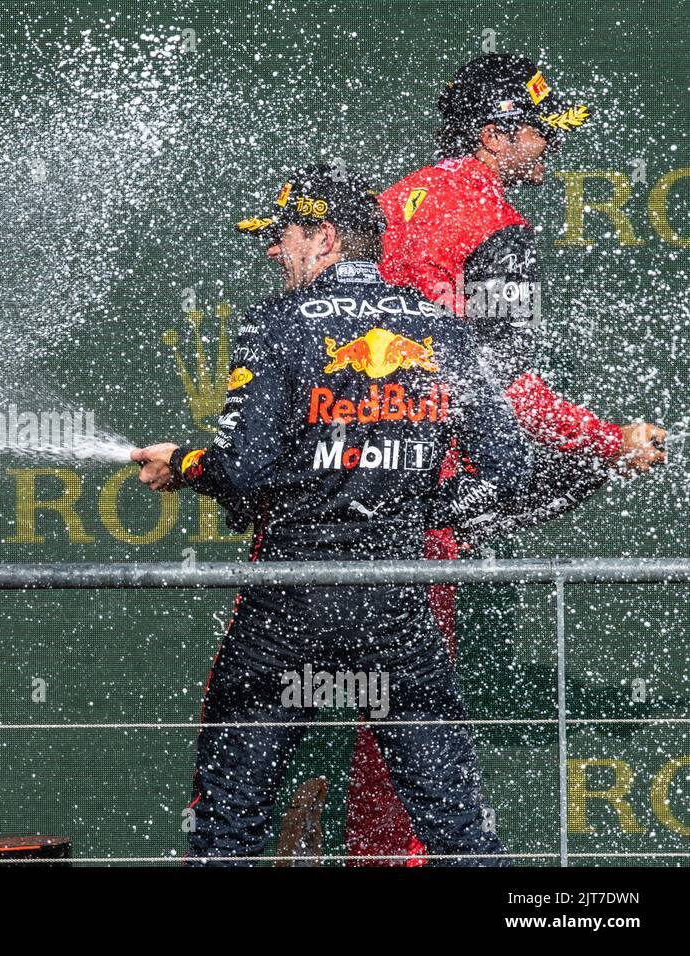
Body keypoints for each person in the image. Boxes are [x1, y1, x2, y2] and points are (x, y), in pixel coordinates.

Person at [133, 164, 529, 864]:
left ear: (323, 236)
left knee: (229, 819)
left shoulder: (276, 323)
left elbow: (243, 469)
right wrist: (423, 509)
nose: (270, 251)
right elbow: (510, 471)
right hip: (396, 604)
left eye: (280, 235)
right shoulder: (440, 326)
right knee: (457, 825)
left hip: (292, 600)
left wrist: (186, 464)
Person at [346, 53, 667, 866]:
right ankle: (399, 860)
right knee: (410, 702)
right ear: (495, 135)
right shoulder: (495, 223)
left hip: (342, 465)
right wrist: (608, 440)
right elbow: (500, 383)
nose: (550, 147)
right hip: (423, 487)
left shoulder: (398, 196)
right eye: (540, 133)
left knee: (355, 699)